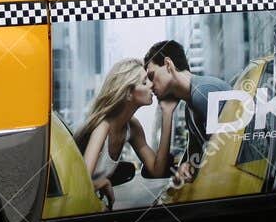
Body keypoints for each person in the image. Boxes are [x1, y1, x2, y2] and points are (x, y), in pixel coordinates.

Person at [142, 39, 240, 187]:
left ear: (168, 65)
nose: (149, 85)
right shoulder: (191, 105)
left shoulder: (204, 92)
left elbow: (225, 153)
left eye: (151, 76)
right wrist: (187, 166)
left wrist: (191, 166)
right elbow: (195, 158)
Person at [74, 59, 157, 210]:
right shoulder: (102, 128)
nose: (152, 84)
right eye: (145, 82)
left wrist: (167, 112)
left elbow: (156, 169)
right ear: (128, 94)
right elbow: (80, 188)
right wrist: (101, 182)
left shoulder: (133, 127)